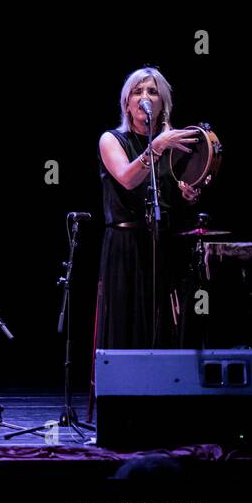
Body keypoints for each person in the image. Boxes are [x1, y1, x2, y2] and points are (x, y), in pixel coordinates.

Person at [95, 67, 200, 350]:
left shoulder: (171, 146)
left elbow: (174, 196)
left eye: (152, 92)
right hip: (125, 244)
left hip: (162, 242)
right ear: (127, 104)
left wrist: (188, 196)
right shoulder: (112, 140)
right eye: (138, 92)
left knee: (163, 323)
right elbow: (128, 179)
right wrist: (155, 148)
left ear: (163, 103)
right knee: (127, 321)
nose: (145, 97)